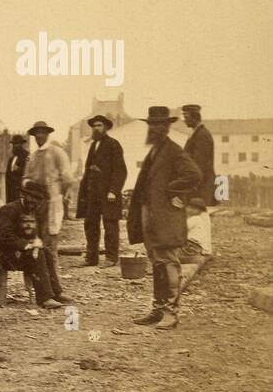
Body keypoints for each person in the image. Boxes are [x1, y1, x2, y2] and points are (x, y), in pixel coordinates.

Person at [127, 106, 201, 330]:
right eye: (151, 124)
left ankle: (171, 313)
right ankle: (158, 310)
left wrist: (173, 191)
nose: (154, 128)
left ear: (167, 127)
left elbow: (194, 175)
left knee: (168, 263)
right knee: (158, 263)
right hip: (152, 217)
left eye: (159, 124)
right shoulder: (154, 150)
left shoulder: (173, 150)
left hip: (167, 218)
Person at [0, 179, 59, 309]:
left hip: (13, 252)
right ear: (24, 195)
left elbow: (30, 234)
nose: (34, 202)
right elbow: (4, 236)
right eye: (32, 197)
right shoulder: (9, 210)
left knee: (45, 252)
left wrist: (35, 243)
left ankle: (56, 293)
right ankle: (44, 298)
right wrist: (28, 245)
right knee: (37, 256)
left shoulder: (30, 210)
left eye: (38, 199)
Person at [22, 121, 75, 304]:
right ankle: (42, 292)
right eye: (36, 134)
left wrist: (56, 192)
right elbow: (25, 178)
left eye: (42, 133)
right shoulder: (32, 156)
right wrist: (31, 185)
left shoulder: (57, 153)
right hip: (34, 205)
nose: (39, 137)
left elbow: (68, 178)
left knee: (50, 247)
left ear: (48, 134)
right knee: (35, 245)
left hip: (52, 204)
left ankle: (55, 290)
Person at [76, 115, 128, 267]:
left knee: (110, 225)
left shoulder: (113, 144)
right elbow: (88, 170)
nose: (95, 128)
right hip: (93, 194)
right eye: (94, 126)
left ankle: (111, 258)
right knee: (90, 224)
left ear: (105, 127)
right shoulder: (93, 146)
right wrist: (85, 192)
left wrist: (113, 190)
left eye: (99, 125)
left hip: (108, 194)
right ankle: (91, 258)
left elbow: (120, 170)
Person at [181, 104, 216, 209]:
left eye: (186, 117)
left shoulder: (202, 135)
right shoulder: (196, 134)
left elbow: (199, 165)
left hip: (201, 186)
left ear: (194, 117)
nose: (184, 120)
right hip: (198, 185)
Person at [4, 134, 29, 203]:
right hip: (11, 189)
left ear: (22, 144)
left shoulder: (26, 156)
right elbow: (8, 174)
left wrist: (18, 169)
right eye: (14, 144)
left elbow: (29, 171)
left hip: (21, 189)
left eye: (18, 144)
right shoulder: (12, 158)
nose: (16, 146)